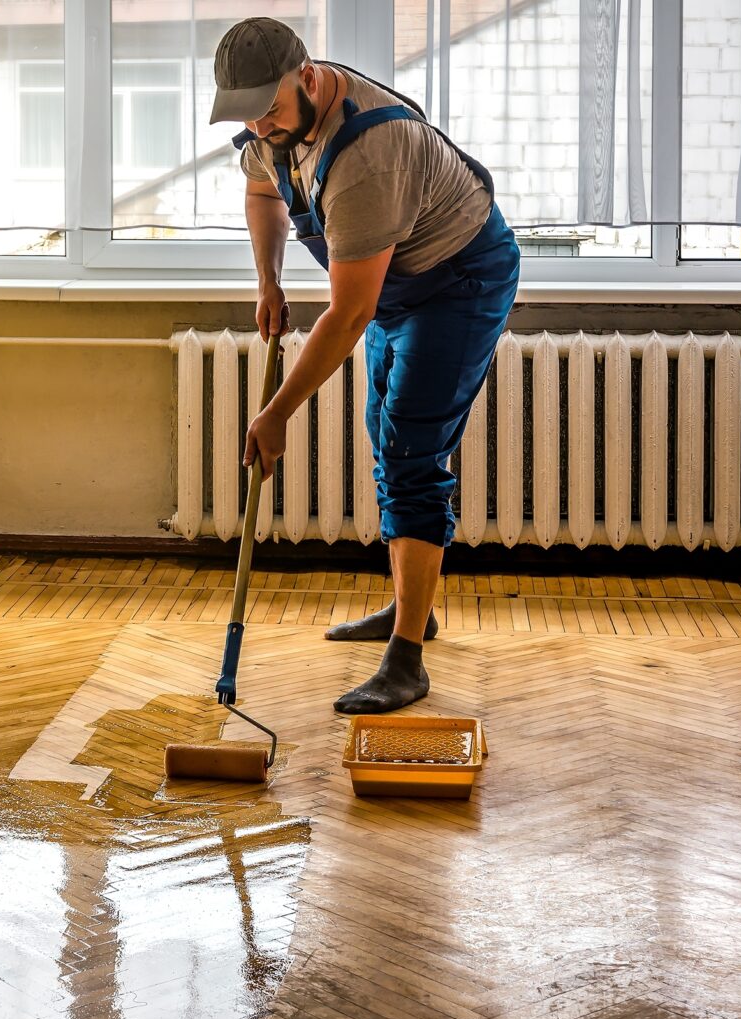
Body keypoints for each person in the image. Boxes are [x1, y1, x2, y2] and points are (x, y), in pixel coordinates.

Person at [211, 16, 520, 715]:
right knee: (388, 434)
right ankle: (413, 610)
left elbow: (349, 315)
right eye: (248, 118)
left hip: (459, 282)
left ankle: (406, 661)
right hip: (400, 288)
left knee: (412, 445)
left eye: (269, 112)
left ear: (309, 78)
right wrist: (269, 280)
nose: (260, 130)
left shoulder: (367, 151)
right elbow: (263, 191)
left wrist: (275, 414)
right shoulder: (277, 128)